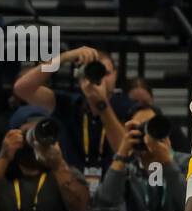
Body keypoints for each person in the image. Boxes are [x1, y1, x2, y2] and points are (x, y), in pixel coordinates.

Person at [12, 46, 136, 186]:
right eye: (93, 73)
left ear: (115, 74)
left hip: (116, 191)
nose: (99, 80)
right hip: (73, 191)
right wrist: (65, 57)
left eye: (105, 73)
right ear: (81, 76)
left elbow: (126, 152)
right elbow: (22, 88)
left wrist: (102, 105)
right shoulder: (69, 104)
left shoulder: (128, 107)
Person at [0, 106, 92, 211]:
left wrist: (58, 165)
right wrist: (3, 157)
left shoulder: (63, 172)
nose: (36, 140)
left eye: (41, 133)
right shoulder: (0, 174)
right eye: (29, 132)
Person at [95, 106, 187, 211]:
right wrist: (121, 154)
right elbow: (105, 204)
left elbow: (190, 204)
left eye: (152, 126)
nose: (147, 134)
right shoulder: (125, 169)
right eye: (141, 128)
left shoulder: (186, 162)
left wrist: (167, 162)